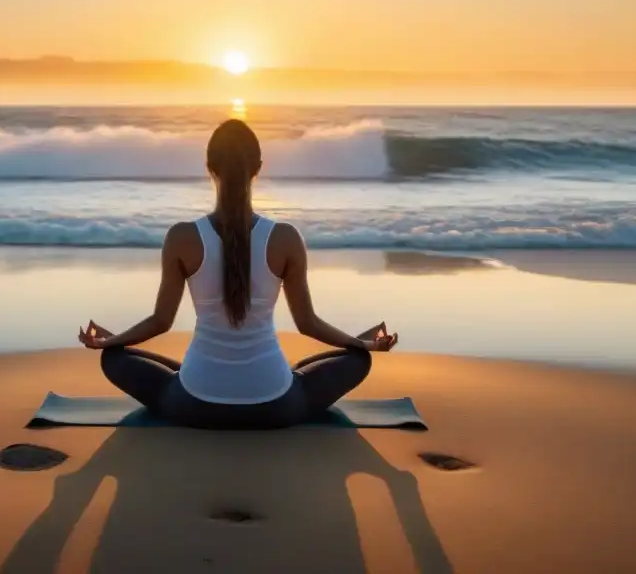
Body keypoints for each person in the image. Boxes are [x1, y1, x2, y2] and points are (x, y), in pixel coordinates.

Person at [77, 118, 398, 429]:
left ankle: (196, 374)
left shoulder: (181, 237)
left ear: (209, 167)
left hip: (193, 405)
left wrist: (111, 341)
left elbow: (161, 321)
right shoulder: (285, 238)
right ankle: (275, 374)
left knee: (114, 358)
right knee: (357, 360)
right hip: (276, 406)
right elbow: (307, 323)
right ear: (258, 168)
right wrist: (362, 345)